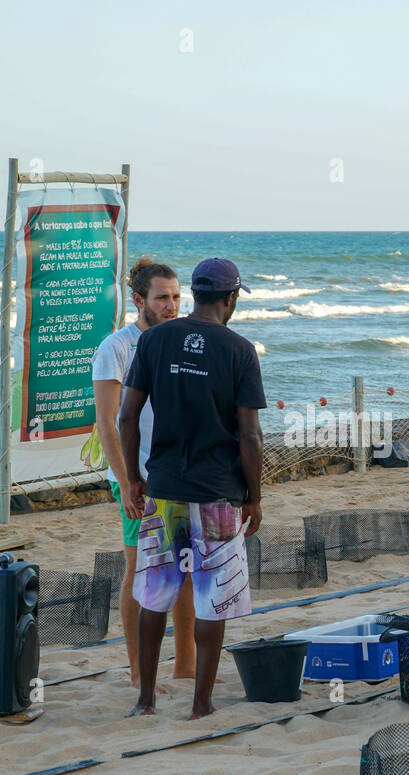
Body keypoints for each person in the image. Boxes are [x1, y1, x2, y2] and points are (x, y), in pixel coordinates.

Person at [120, 258, 265, 719]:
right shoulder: (240, 350)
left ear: (194, 295)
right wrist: (255, 496)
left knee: (154, 594)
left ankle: (146, 698)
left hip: (163, 489)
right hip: (218, 494)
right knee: (212, 599)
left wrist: (134, 478)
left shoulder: (154, 340)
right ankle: (201, 704)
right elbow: (250, 435)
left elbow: (127, 416)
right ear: (230, 298)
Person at [92, 257, 196, 688]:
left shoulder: (185, 340)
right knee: (141, 572)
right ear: (139, 300)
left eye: (176, 296)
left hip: (182, 474)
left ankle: (186, 666)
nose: (171, 305)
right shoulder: (116, 348)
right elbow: (109, 422)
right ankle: (138, 672)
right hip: (139, 478)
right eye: (162, 298)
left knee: (187, 568)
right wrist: (126, 480)